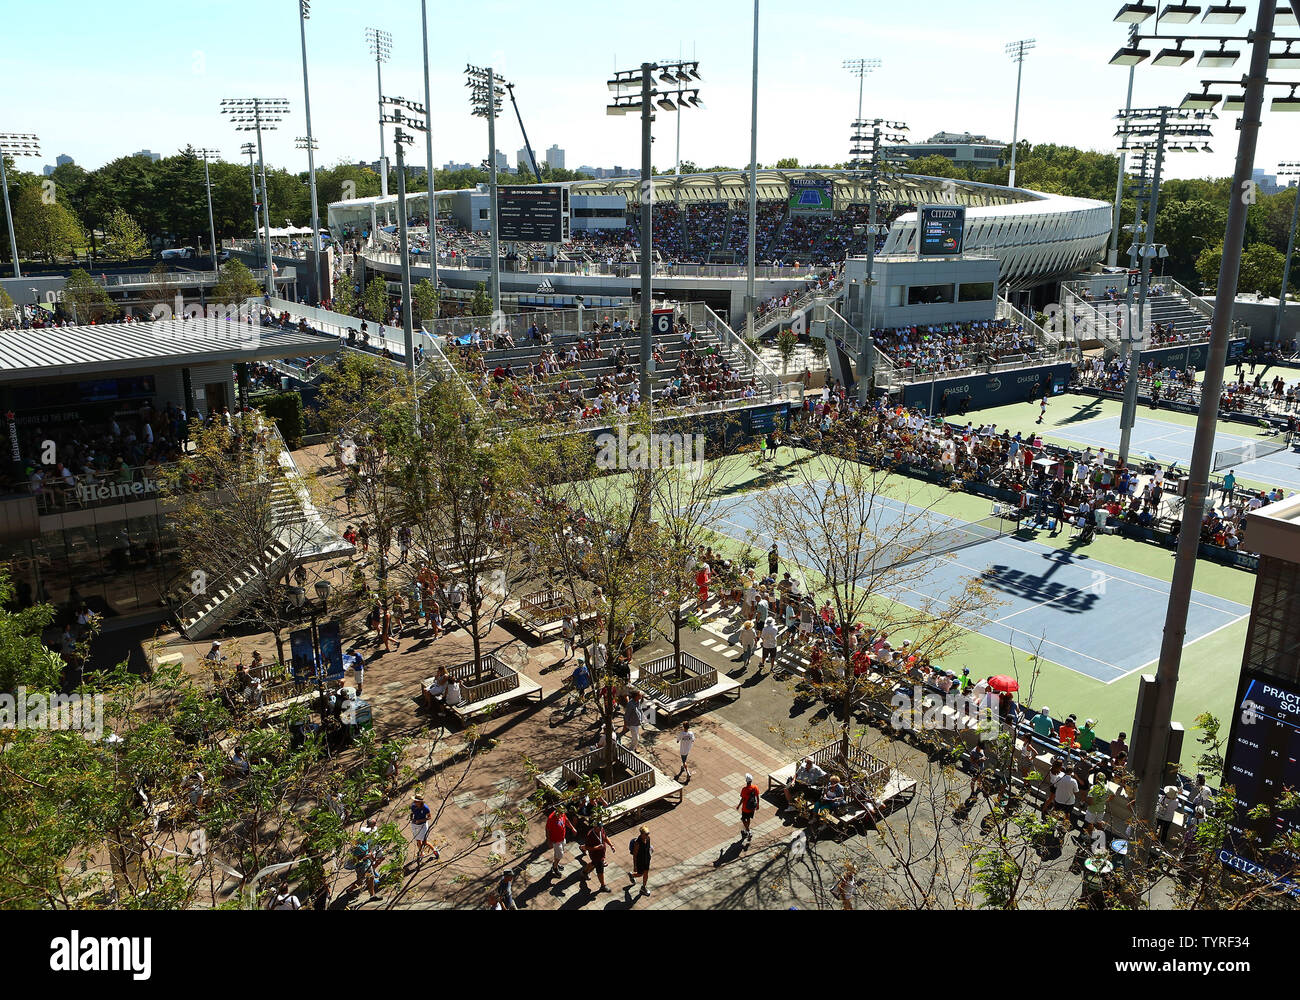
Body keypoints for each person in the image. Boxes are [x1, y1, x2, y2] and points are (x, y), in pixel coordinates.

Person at [545, 805, 577, 876]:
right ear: (557, 810)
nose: (562, 813)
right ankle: (555, 867)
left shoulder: (561, 813)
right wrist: (548, 840)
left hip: (562, 838)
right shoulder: (551, 818)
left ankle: (555, 863)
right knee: (560, 854)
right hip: (556, 840)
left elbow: (566, 820)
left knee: (558, 853)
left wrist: (572, 828)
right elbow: (547, 829)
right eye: (561, 812)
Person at [582, 819, 614, 892]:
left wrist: (611, 845)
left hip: (601, 854)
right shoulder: (590, 835)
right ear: (595, 827)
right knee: (600, 870)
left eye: (601, 827)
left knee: (593, 863)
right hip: (595, 855)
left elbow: (605, 837)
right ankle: (603, 886)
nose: (601, 828)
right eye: (600, 827)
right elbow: (587, 847)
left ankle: (584, 872)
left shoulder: (601, 830)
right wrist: (597, 848)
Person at [410, 794, 438, 863]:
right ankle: (421, 853)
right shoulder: (413, 806)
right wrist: (411, 819)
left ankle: (435, 850)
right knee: (418, 840)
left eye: (416, 801)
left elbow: (429, 817)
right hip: (415, 824)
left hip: (423, 825)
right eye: (415, 801)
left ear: (420, 802)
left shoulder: (425, 808)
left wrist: (420, 820)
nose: (415, 802)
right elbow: (412, 813)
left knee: (424, 842)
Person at [628, 826, 653, 896]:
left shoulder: (648, 838)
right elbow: (635, 855)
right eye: (646, 834)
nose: (648, 835)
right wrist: (635, 866)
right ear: (642, 834)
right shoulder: (637, 843)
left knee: (646, 873)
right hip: (640, 861)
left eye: (648, 833)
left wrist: (650, 852)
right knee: (640, 874)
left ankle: (643, 888)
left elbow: (648, 848)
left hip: (646, 859)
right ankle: (632, 875)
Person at [737, 773, 761, 842]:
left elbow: (742, 799)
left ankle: (748, 831)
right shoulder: (755, 787)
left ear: (746, 781)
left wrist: (739, 805)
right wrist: (758, 805)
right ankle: (746, 830)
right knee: (748, 818)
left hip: (745, 808)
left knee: (743, 819)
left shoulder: (744, 789)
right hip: (752, 807)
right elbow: (757, 797)